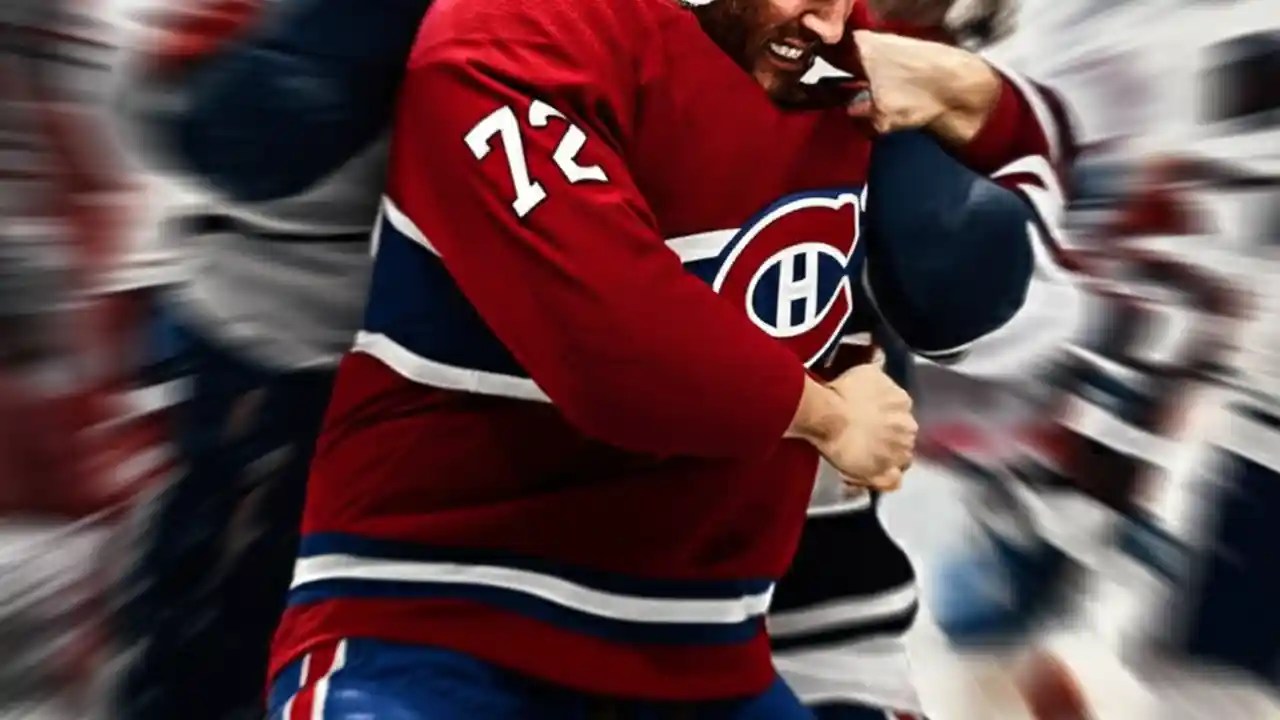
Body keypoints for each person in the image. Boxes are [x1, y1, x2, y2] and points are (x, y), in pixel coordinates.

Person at [255, 0, 1078, 717]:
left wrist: (980, 99)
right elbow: (617, 351)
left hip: (713, 641)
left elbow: (990, 297)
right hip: (441, 613)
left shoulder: (834, 51)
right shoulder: (506, 33)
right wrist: (829, 416)